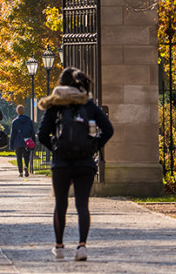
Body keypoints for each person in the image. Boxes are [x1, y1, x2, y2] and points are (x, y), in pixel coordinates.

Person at [37, 67, 113, 262]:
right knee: (82, 205)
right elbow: (108, 129)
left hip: (61, 162)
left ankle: (59, 246)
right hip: (85, 161)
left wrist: (55, 148)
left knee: (60, 204)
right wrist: (93, 146)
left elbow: (42, 135)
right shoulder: (87, 104)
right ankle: (81, 246)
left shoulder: (55, 104)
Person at [9, 104, 36, 177]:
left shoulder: (14, 121)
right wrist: (34, 141)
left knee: (19, 157)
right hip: (27, 141)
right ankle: (26, 166)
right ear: (24, 111)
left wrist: (11, 145)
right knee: (27, 156)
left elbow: (12, 134)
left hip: (18, 142)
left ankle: (20, 172)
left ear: (17, 111)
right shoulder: (28, 120)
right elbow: (32, 132)